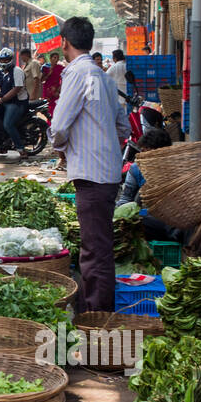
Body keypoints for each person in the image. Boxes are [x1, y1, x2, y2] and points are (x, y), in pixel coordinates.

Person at [50, 17, 131, 312]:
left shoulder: (77, 74)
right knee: (98, 246)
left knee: (94, 250)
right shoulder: (104, 77)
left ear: (64, 42)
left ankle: (96, 316)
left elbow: (59, 125)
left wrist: (61, 147)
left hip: (91, 174)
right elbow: (123, 128)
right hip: (107, 172)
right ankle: (92, 308)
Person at [117, 127, 180, 241]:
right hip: (148, 218)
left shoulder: (177, 168)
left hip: (174, 218)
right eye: (142, 152)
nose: (143, 156)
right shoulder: (136, 169)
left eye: (149, 152)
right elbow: (126, 199)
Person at [42, 49, 64, 118]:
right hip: (47, 91)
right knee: (48, 109)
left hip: (56, 91)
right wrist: (49, 74)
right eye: (54, 57)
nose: (56, 59)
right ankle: (49, 124)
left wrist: (58, 90)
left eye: (57, 58)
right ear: (50, 58)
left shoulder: (60, 68)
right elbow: (42, 80)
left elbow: (63, 79)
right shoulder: (45, 67)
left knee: (56, 108)